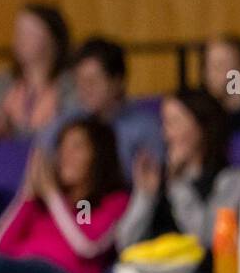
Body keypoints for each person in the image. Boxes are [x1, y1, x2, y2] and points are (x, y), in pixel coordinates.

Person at [0, 117, 130, 273]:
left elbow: (86, 243)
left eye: (77, 147)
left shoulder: (89, 204)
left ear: (98, 155)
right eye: (62, 147)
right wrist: (27, 193)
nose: (65, 155)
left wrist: (52, 195)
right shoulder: (39, 204)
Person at [118, 88, 240, 251]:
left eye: (174, 122)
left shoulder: (233, 179)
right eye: (164, 123)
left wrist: (177, 181)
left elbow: (207, 239)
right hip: (152, 272)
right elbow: (125, 243)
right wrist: (145, 196)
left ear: (202, 127)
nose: (166, 134)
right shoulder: (157, 176)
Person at [38, 38, 164, 182]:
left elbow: (156, 179)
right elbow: (42, 157)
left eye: (92, 81)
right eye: (80, 82)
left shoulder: (144, 127)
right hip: (78, 202)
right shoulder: (68, 121)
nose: (85, 89)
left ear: (117, 81)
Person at [0, 4, 76, 159]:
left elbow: (69, 142)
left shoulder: (71, 87)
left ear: (53, 39)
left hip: (45, 174)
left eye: (29, 33)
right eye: (18, 32)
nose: (19, 39)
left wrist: (13, 132)